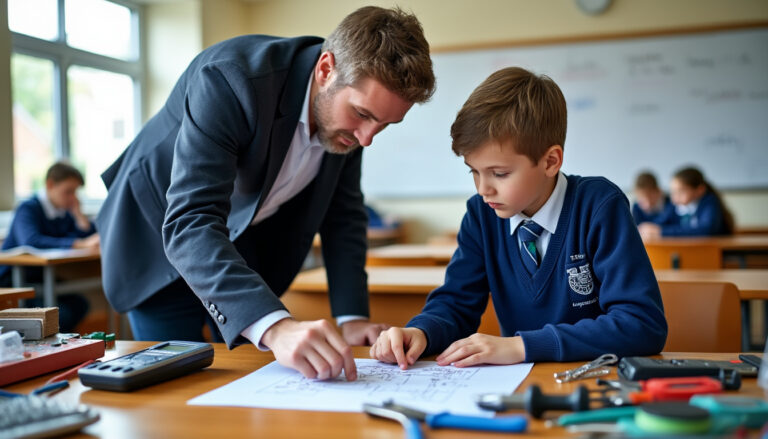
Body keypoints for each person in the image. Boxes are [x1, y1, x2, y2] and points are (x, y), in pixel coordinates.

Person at [96, 6, 435, 381]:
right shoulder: (231, 78)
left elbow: (344, 217)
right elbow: (191, 221)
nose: (366, 138)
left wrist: (352, 318)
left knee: (243, 384)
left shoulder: (348, 130)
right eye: (361, 114)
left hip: (238, 248)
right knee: (180, 390)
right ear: (326, 70)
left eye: (385, 125)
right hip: (157, 244)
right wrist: (275, 327)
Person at [371, 67, 667, 368]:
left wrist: (524, 345)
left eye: (499, 173)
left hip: (593, 380)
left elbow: (641, 324)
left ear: (550, 161)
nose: (483, 189)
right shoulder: (481, 215)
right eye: (474, 171)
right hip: (517, 385)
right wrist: (422, 330)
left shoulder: (599, 206)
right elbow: (457, 304)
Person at [0, 162, 99, 332]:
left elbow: (88, 236)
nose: (72, 198)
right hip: (14, 280)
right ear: (50, 185)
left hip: (41, 278)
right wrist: (78, 243)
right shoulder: (28, 208)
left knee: (80, 304)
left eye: (75, 192)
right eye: (68, 191)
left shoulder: (63, 212)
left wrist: (78, 214)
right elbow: (31, 241)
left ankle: (61, 346)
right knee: (63, 313)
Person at [638, 166, 734, 239]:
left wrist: (662, 232)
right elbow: (660, 223)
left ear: (700, 190)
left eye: (680, 192)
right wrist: (649, 229)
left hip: (712, 253)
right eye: (673, 192)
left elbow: (706, 230)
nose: (674, 198)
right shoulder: (676, 206)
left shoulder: (710, 203)